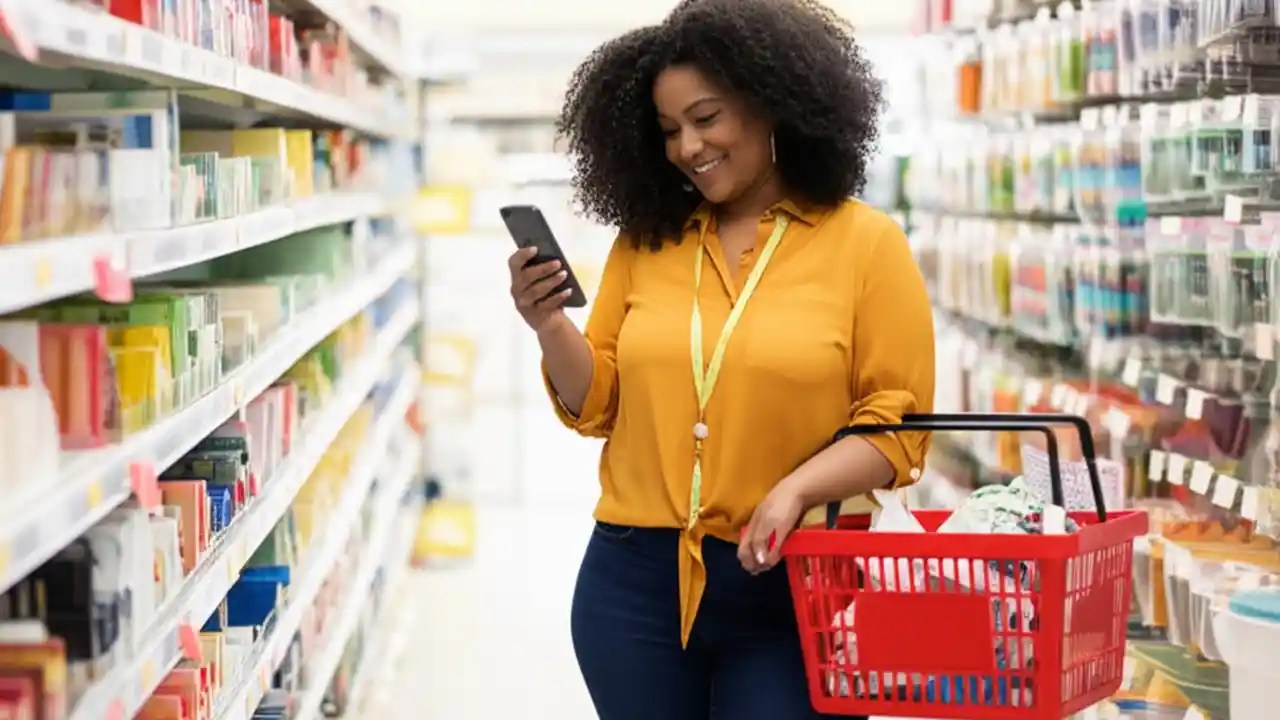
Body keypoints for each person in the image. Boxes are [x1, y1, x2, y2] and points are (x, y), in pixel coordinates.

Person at [505, 0, 935, 717]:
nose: (687, 148)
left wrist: (798, 488)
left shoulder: (866, 245)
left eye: (707, 119)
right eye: (669, 130)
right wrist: (548, 323)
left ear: (772, 105)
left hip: (794, 581)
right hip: (632, 585)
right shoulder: (648, 242)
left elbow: (898, 427)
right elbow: (597, 405)